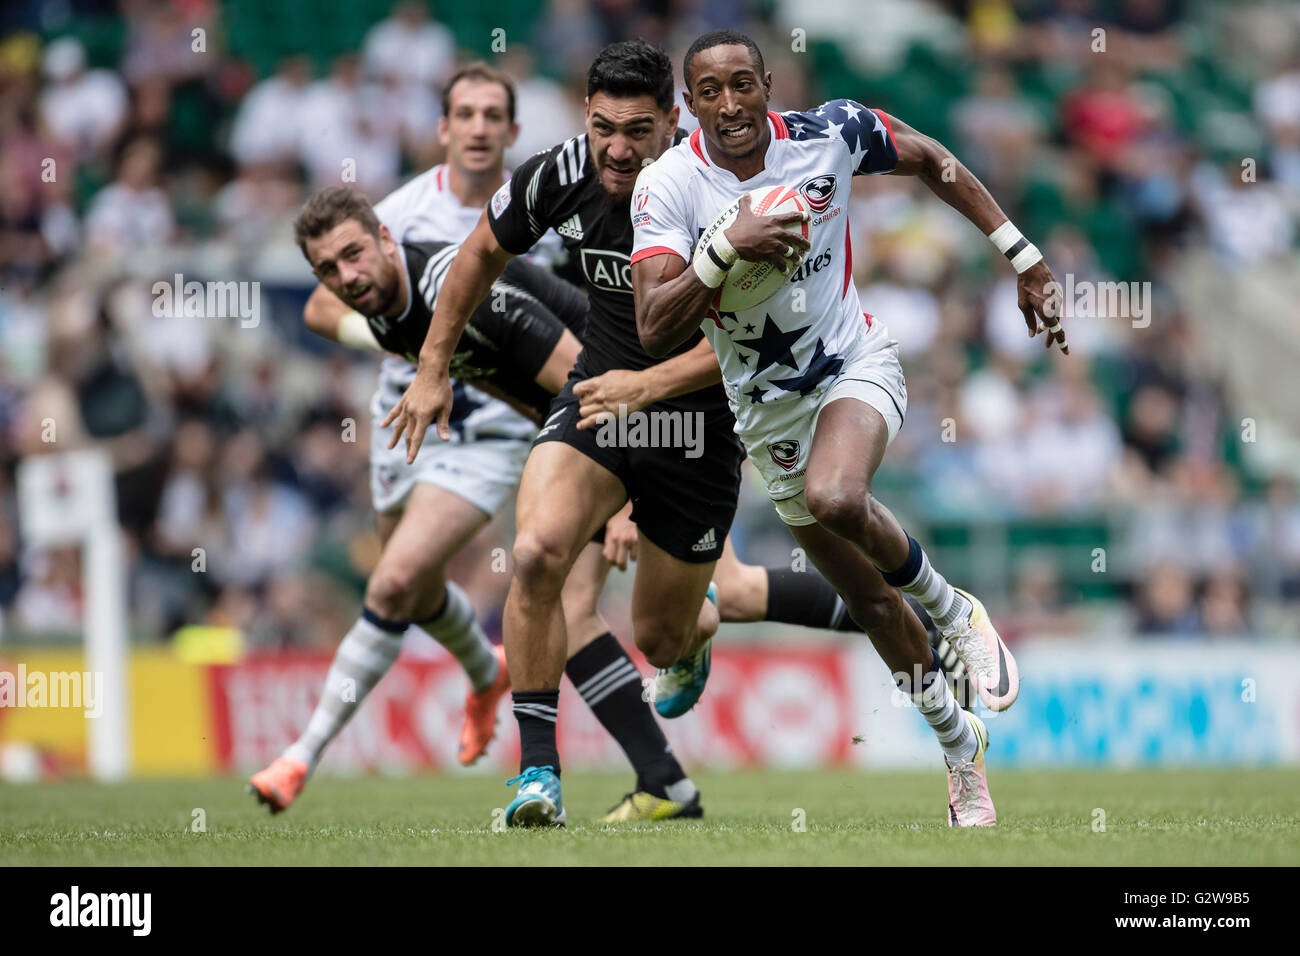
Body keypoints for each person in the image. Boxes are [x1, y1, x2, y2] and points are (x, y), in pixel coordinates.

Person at [382, 42, 968, 828]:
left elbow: (744, 344)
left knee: (659, 636)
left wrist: (649, 388)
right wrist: (430, 368)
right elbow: (479, 255)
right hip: (601, 397)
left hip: (701, 420)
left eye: (637, 130)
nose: (617, 149)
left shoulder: (723, 189)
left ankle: (700, 639)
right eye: (602, 129)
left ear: (672, 123)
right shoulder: (559, 174)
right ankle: (537, 778)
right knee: (534, 552)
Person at [629, 31, 1067, 826]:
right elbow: (655, 324)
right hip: (765, 412)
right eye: (709, 91)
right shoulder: (666, 185)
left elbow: (933, 159)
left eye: (743, 84)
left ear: (768, 83)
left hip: (854, 364)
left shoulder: (831, 133)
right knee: (867, 600)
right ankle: (961, 750)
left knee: (837, 496)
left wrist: (1024, 257)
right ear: (688, 104)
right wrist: (725, 248)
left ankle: (954, 608)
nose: (730, 104)